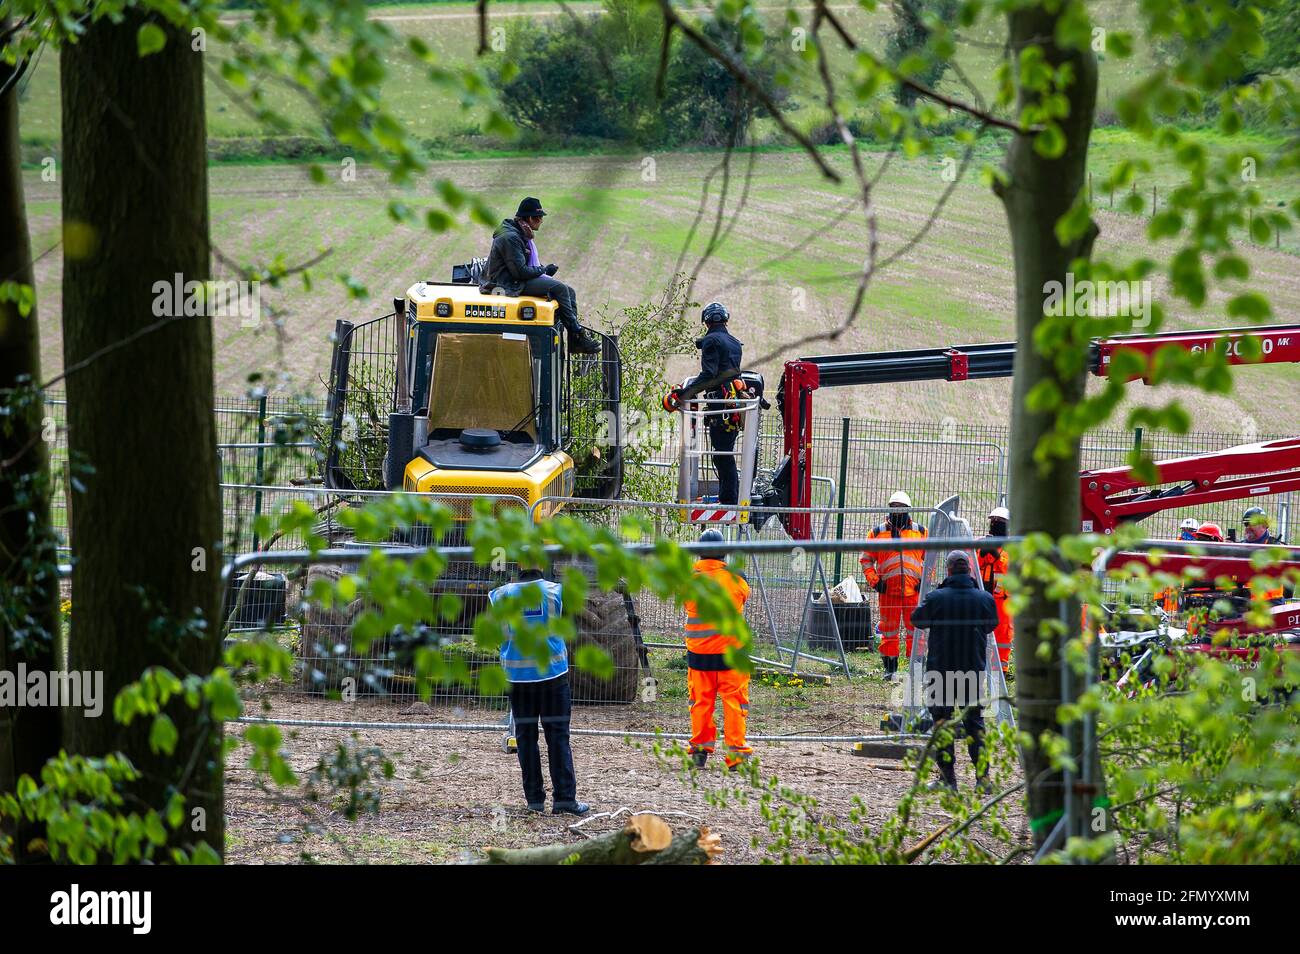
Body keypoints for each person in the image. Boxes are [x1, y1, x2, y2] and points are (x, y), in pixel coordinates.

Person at [489, 556, 590, 816]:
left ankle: (534, 801)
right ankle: (565, 800)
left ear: (517, 563)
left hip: (517, 678)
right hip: (553, 677)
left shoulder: (500, 595)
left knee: (526, 739)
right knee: (558, 737)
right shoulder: (557, 591)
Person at [910, 551, 1000, 792]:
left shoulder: (937, 598)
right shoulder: (984, 599)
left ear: (948, 570)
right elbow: (992, 624)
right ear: (969, 569)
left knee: (942, 724)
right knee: (975, 724)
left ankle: (948, 781)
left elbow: (917, 619)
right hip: (972, 670)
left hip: (941, 671)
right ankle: (983, 780)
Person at [482, 196, 601, 354]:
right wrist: (544, 270)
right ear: (530, 218)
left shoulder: (519, 233)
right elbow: (521, 272)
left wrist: (543, 270)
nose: (541, 221)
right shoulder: (511, 237)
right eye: (539, 218)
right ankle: (578, 333)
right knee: (559, 288)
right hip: (506, 284)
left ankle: (575, 341)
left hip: (513, 279)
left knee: (569, 291)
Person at [684, 528, 752, 769]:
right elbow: (744, 596)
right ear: (724, 553)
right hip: (731, 657)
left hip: (699, 657)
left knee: (701, 704)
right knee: (734, 704)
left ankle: (699, 753)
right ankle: (736, 757)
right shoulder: (737, 577)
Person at [861, 491, 927, 677]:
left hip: (914, 592)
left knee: (916, 632)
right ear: (889, 508)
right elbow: (866, 560)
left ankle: (916, 671)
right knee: (889, 631)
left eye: (901, 507)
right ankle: (890, 671)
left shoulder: (921, 532)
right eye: (894, 507)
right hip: (888, 592)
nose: (897, 510)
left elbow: (930, 559)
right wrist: (875, 582)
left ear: (908, 509)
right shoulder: (876, 533)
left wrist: (923, 581)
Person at [696, 302, 744, 506]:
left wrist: (684, 393)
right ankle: (729, 494)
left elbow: (709, 375)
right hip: (732, 404)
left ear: (706, 321)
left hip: (720, 405)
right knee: (724, 451)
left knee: (722, 454)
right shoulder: (734, 342)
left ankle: (729, 498)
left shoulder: (711, 342)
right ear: (726, 319)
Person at [977, 506, 1013, 675]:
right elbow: (974, 566)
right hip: (983, 595)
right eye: (993, 521)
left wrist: (997, 556)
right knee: (980, 632)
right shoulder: (981, 543)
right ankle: (981, 666)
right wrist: (982, 554)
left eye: (1000, 522)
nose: (995, 524)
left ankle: (1001, 670)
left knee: (1003, 635)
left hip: (1003, 599)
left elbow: (1009, 569)